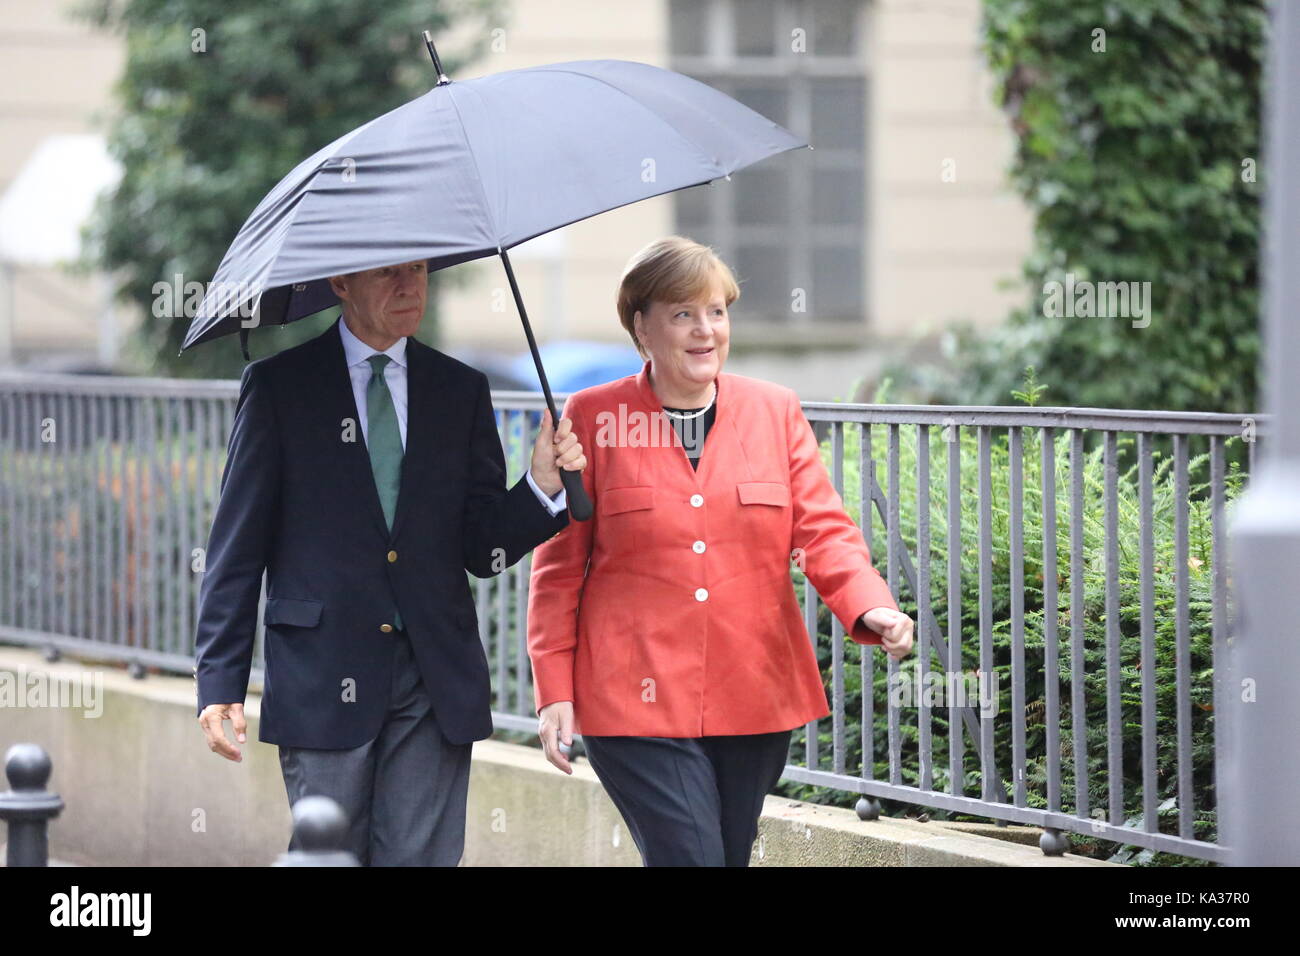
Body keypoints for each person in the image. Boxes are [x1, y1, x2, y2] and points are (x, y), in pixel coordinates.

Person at [526, 236, 914, 867]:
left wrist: (869, 606)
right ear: (641, 327)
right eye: (683, 314)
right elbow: (559, 569)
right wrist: (554, 689)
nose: (705, 330)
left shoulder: (774, 410)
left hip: (752, 689)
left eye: (716, 312)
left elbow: (822, 531)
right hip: (633, 697)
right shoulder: (593, 417)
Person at [193, 258, 586, 866]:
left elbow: (483, 549)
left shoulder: (460, 389)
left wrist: (538, 486)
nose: (410, 287)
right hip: (324, 672)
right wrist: (220, 682)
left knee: (419, 859)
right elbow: (237, 548)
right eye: (388, 274)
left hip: (434, 676)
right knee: (329, 854)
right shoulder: (279, 387)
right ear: (340, 283)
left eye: (419, 270)